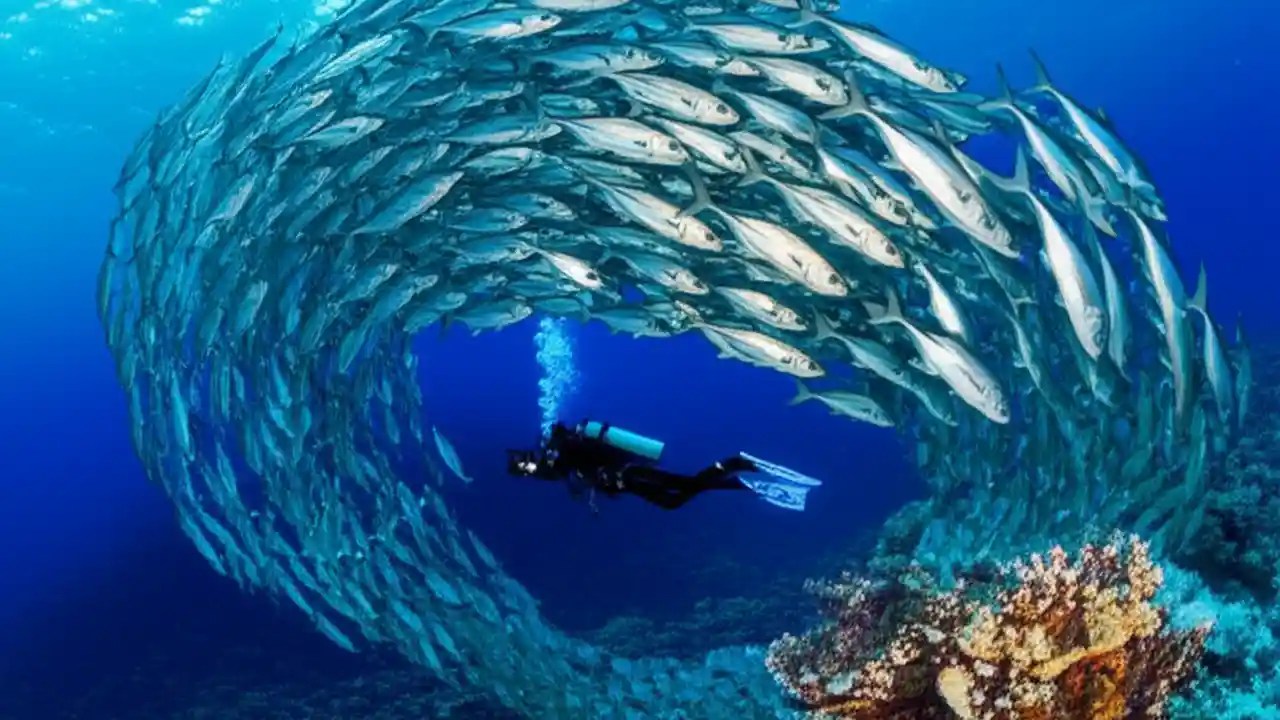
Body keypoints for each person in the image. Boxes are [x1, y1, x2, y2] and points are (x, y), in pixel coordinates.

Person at [507, 420, 820, 511]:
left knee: (683, 486)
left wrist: (557, 454)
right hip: (625, 483)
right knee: (674, 501)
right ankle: (737, 482)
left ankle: (735, 463)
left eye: (526, 466)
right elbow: (580, 473)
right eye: (525, 471)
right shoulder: (558, 463)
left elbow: (585, 459)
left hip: (629, 473)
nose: (530, 471)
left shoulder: (562, 451)